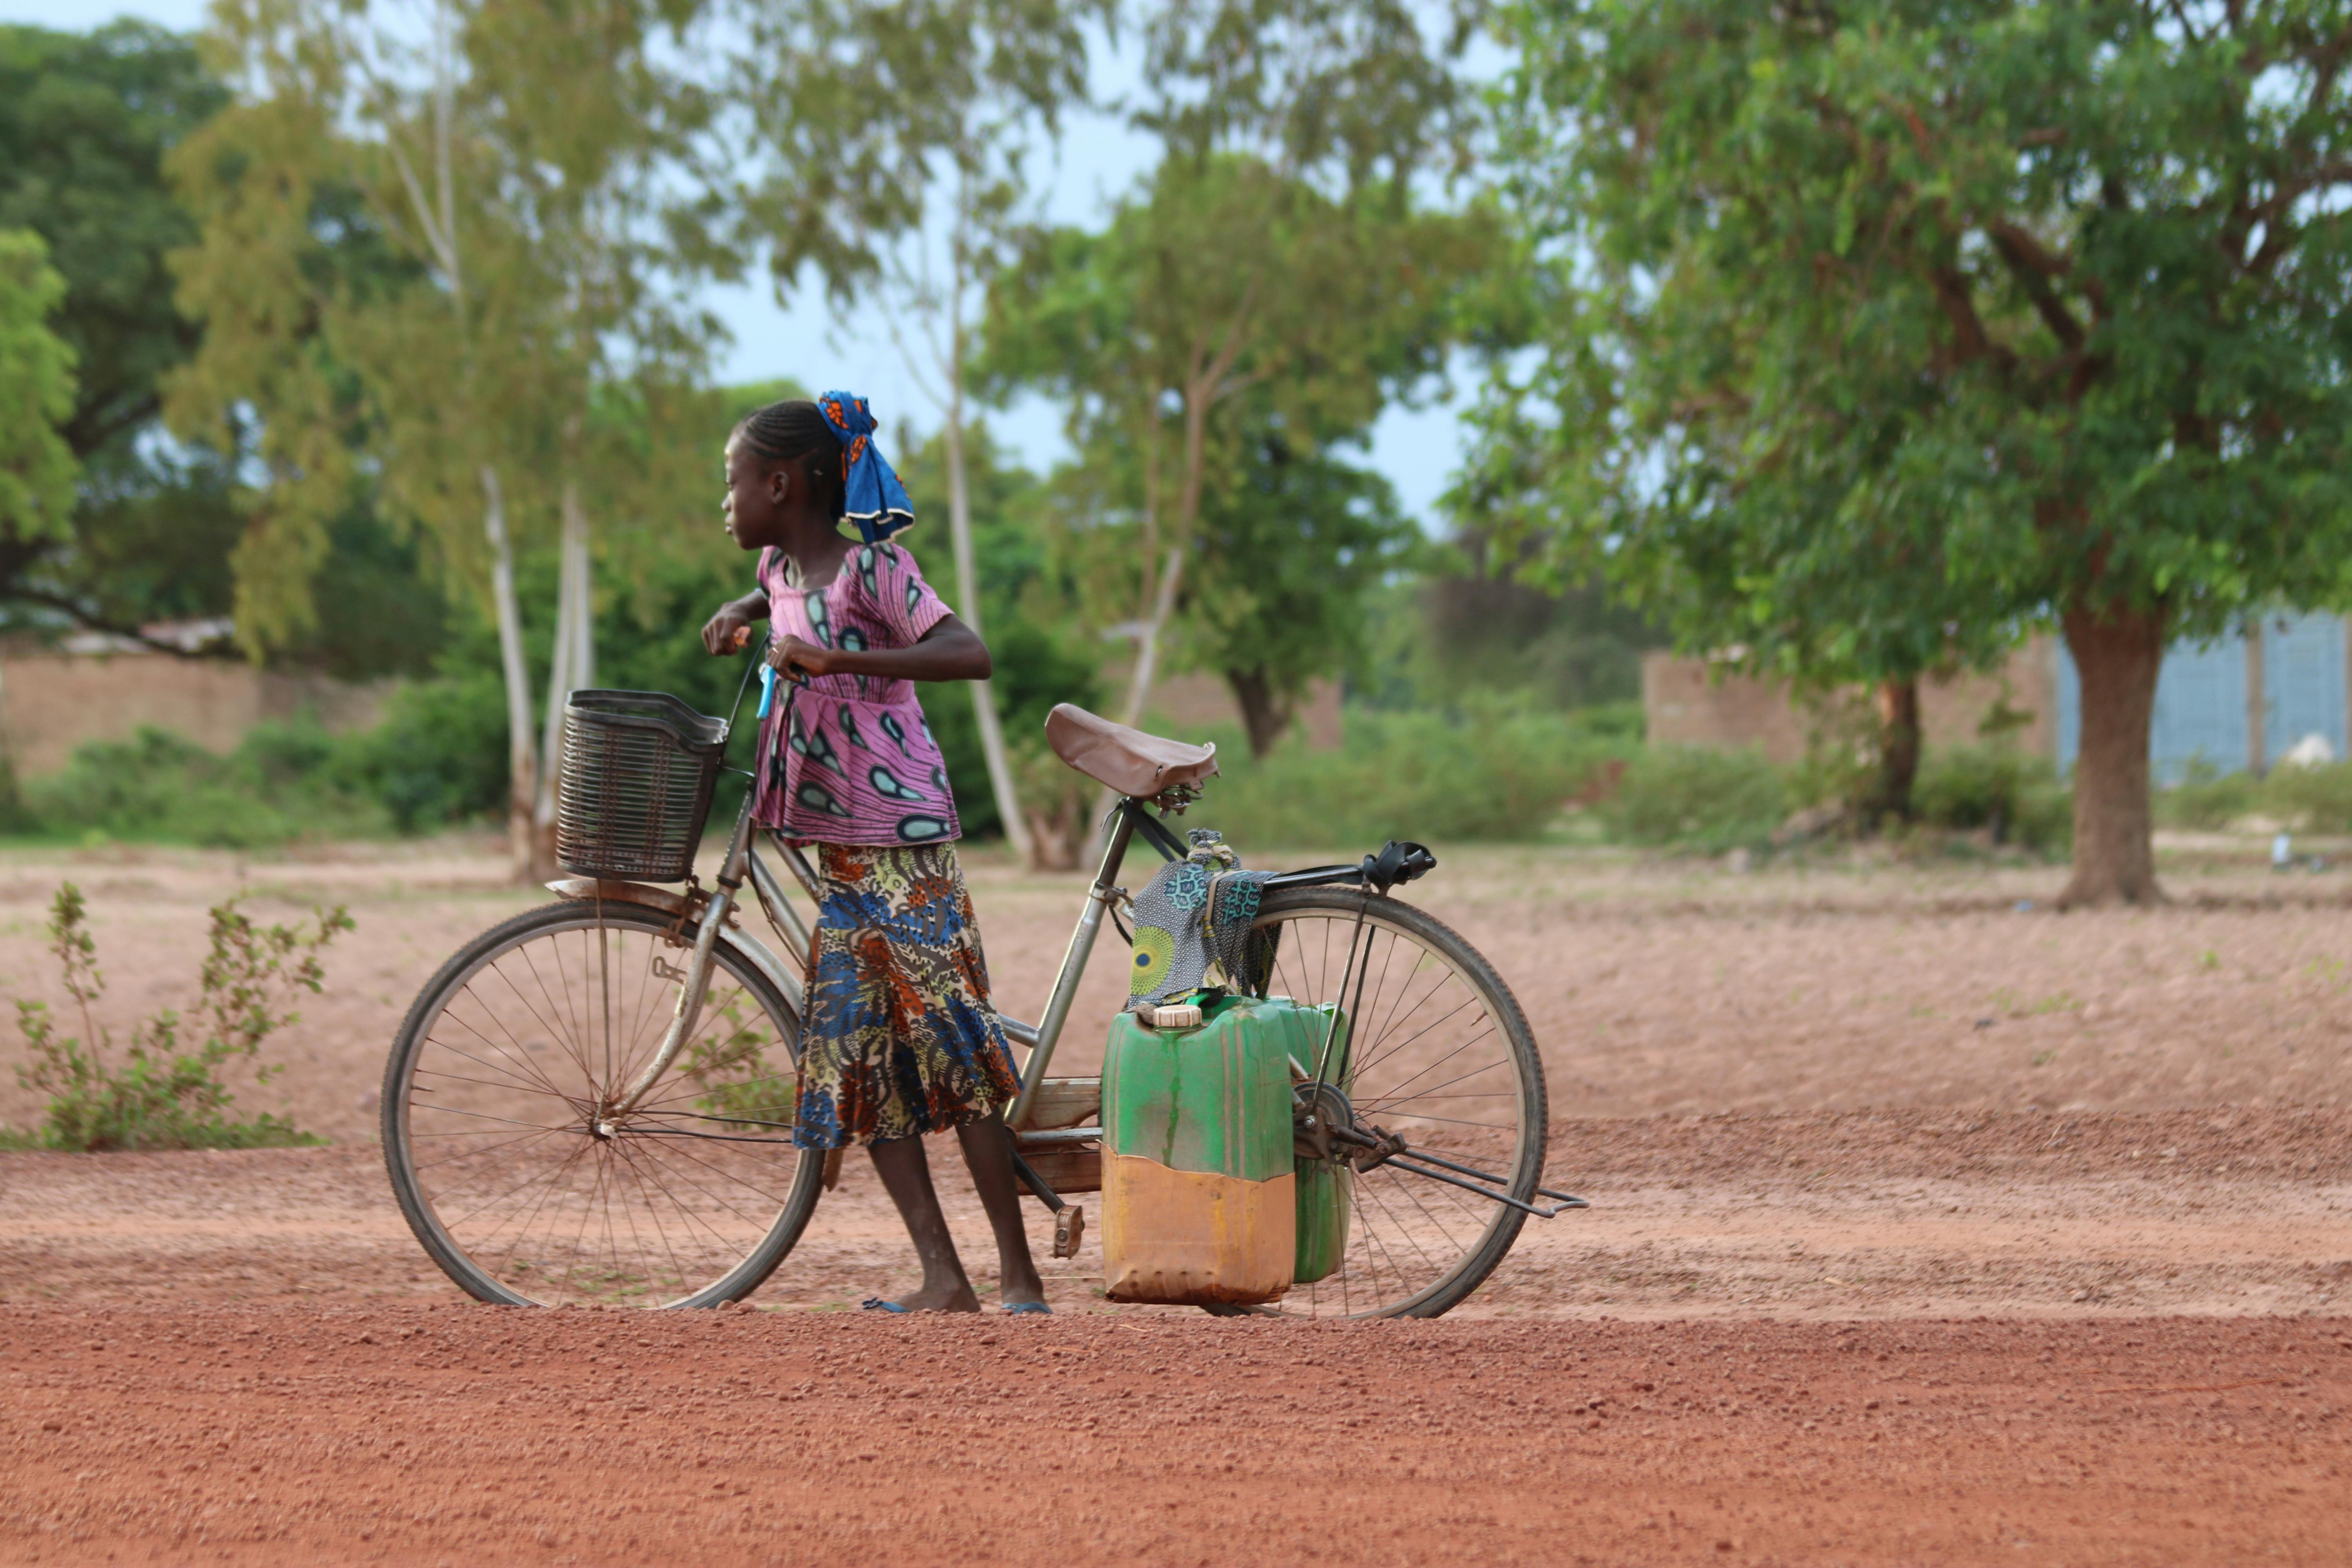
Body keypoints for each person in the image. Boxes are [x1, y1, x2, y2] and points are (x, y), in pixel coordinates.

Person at [700, 391, 1047, 1315]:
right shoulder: (778, 564)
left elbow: (966, 651)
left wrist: (842, 663)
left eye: (732, 483)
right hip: (843, 863)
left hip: (904, 847)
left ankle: (1022, 1278)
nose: (724, 502)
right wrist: (743, 607)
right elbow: (780, 591)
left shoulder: (875, 573)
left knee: (955, 1048)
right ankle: (945, 1275)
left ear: (780, 483)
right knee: (861, 1060)